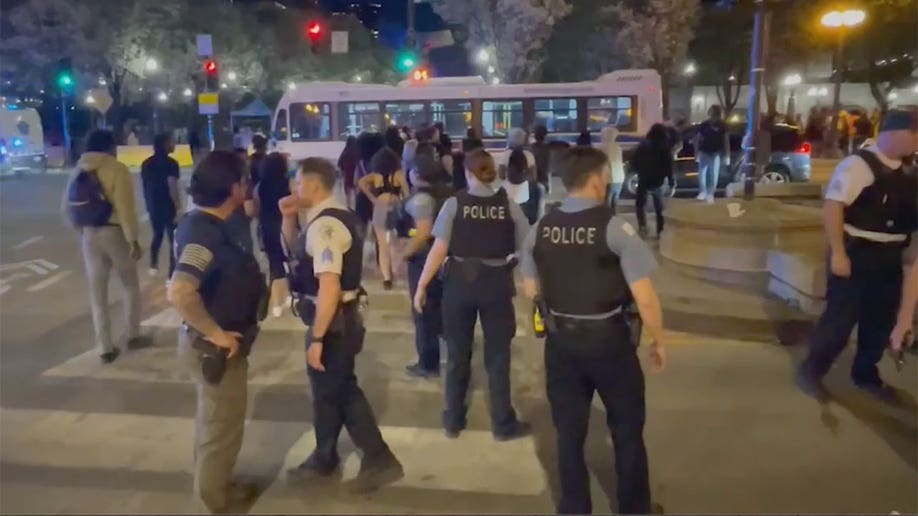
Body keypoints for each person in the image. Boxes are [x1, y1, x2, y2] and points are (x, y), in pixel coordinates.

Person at [520, 146, 665, 515]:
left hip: (562, 343)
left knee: (569, 436)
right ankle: (634, 508)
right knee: (627, 431)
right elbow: (645, 297)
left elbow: (531, 289)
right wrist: (657, 340)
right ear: (598, 179)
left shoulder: (541, 228)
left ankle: (575, 508)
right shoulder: (616, 226)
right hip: (610, 343)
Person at [281, 157, 404, 491]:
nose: (294, 186)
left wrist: (318, 337)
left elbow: (329, 285)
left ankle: (379, 458)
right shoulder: (328, 216)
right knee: (327, 391)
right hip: (336, 318)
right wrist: (288, 217)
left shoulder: (325, 226)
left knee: (341, 390)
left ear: (314, 185)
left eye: (298, 181)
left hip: (334, 321)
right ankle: (325, 457)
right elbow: (294, 256)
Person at [167, 150, 267, 513]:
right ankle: (213, 501)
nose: (249, 185)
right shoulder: (203, 235)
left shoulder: (220, 222)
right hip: (215, 349)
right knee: (219, 431)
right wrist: (216, 333)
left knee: (216, 425)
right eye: (244, 180)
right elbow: (180, 290)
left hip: (223, 344)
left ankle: (217, 483)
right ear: (232, 188)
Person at [797, 110, 918, 402]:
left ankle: (865, 374)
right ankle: (812, 371)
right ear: (898, 133)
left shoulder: (910, 172)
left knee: (878, 322)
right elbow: (833, 206)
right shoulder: (858, 165)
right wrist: (838, 252)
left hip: (890, 256)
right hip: (857, 252)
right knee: (838, 322)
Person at [413, 149, 531, 440]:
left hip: (459, 286)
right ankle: (503, 424)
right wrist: (530, 281)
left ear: (467, 173)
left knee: (456, 355)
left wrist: (422, 285)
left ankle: (453, 420)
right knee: (498, 357)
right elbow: (526, 247)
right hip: (497, 286)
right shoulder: (509, 205)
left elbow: (439, 249)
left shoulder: (455, 204)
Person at [66, 129, 142, 364]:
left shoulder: (78, 169)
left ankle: (104, 347)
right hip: (114, 232)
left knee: (97, 293)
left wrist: (82, 231)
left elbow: (67, 207)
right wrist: (132, 240)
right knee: (130, 284)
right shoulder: (116, 169)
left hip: (89, 234)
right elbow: (125, 208)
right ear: (110, 146)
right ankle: (133, 334)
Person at [396, 152, 454, 378]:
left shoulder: (421, 199)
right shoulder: (447, 194)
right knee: (440, 307)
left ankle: (428, 363)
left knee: (422, 311)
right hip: (446, 258)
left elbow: (422, 233)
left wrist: (403, 255)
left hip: (424, 260)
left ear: (417, 173)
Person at [358, 148, 409, 289]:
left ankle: (386, 278)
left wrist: (372, 198)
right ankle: (395, 272)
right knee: (394, 243)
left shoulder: (375, 176)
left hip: (379, 207)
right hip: (394, 207)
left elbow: (361, 182)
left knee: (382, 244)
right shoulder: (398, 174)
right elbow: (406, 192)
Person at [141, 132, 182, 278]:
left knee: (157, 234)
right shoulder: (172, 164)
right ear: (165, 145)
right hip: (168, 205)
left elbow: (145, 186)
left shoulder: (146, 163)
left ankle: (153, 265)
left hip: (153, 205)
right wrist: (178, 208)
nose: (174, 144)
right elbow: (172, 186)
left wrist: (148, 204)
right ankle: (171, 273)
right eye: (172, 142)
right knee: (173, 240)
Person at [256, 152, 292, 317]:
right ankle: (290, 296)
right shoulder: (288, 184)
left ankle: (276, 304)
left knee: (274, 265)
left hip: (267, 227)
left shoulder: (260, 186)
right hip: (286, 226)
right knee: (291, 263)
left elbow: (255, 209)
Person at [631, 124, 674, 239]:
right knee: (658, 207)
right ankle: (660, 230)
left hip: (644, 179)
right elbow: (669, 167)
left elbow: (634, 162)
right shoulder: (664, 148)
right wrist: (671, 181)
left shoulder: (642, 146)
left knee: (640, 204)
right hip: (658, 180)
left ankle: (643, 227)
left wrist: (638, 171)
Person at [692, 105, 730, 203]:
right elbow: (697, 139)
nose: (713, 118)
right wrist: (696, 153)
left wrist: (727, 155)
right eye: (712, 115)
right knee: (702, 173)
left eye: (715, 115)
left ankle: (710, 193)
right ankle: (703, 191)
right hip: (704, 151)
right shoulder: (704, 125)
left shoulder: (722, 125)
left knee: (713, 174)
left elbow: (726, 140)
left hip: (715, 153)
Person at [505, 148, 541, 225]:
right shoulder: (525, 174)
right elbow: (533, 177)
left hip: (511, 201)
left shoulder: (509, 173)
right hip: (524, 201)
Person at [600, 126, 625, 213]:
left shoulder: (602, 148)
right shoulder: (618, 148)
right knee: (614, 202)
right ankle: (614, 220)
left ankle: (606, 222)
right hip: (619, 178)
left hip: (608, 179)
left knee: (607, 203)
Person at [338, 135, 360, 209]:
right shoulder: (358, 151)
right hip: (356, 173)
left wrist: (342, 171)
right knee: (356, 189)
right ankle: (357, 205)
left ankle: (348, 205)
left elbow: (340, 163)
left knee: (348, 190)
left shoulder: (345, 151)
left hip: (348, 173)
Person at [529, 125, 551, 194]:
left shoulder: (530, 148)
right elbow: (547, 166)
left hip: (533, 180)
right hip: (543, 179)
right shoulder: (547, 149)